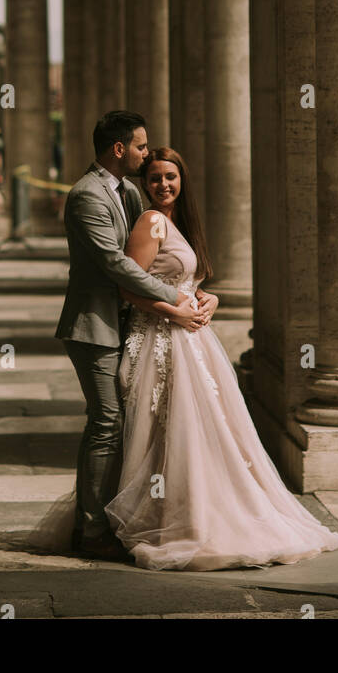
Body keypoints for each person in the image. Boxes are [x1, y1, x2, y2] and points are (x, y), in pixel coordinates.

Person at [103, 147, 338, 570]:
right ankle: (172, 518)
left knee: (202, 428)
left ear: (183, 180)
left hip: (190, 337)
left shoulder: (178, 221)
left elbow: (180, 278)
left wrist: (204, 296)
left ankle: (201, 511)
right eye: (155, 177)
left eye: (170, 177)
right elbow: (130, 288)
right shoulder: (150, 220)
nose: (163, 184)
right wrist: (176, 311)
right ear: (145, 183)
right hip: (162, 338)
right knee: (169, 430)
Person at [53, 111, 202, 560]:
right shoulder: (86, 196)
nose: (145, 152)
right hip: (93, 327)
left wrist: (197, 292)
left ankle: (123, 517)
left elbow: (152, 257)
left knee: (130, 423)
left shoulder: (129, 192)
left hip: (127, 323)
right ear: (119, 149)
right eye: (140, 146)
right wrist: (176, 297)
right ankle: (91, 531)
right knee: (106, 423)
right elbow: (115, 265)